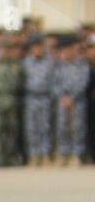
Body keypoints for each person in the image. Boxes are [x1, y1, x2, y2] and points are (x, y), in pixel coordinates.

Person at [52, 37, 90, 167]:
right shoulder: (58, 66)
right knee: (62, 127)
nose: (67, 52)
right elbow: (54, 83)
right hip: (62, 101)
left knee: (78, 127)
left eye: (70, 49)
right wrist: (62, 96)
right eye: (65, 50)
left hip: (77, 101)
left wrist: (72, 97)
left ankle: (77, 154)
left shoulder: (82, 65)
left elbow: (83, 83)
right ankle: (64, 154)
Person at [22, 37, 54, 167]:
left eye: (40, 47)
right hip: (31, 98)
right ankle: (33, 155)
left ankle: (45, 155)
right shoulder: (26, 63)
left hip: (45, 97)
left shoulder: (50, 62)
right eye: (34, 47)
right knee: (32, 128)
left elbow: (54, 80)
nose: (37, 50)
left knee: (45, 127)